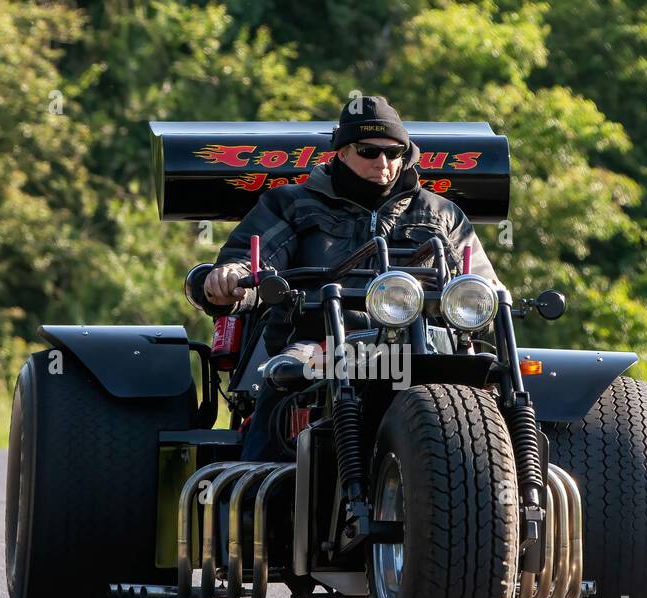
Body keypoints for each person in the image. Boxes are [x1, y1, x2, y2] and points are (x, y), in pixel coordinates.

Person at [188, 95, 501, 459]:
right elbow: (247, 262)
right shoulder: (291, 203)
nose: (383, 162)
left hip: (424, 349)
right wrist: (230, 278)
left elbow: (483, 287)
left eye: (394, 152)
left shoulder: (441, 213)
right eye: (369, 151)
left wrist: (486, 301)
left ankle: (514, 491)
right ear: (341, 151)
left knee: (496, 387)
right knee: (282, 382)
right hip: (319, 347)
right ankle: (256, 496)